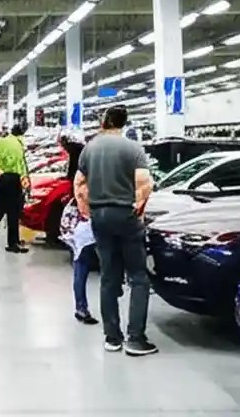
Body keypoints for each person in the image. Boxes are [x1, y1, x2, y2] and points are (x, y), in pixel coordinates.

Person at [75, 106, 157, 356]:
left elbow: (79, 184)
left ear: (104, 121)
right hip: (126, 215)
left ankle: (112, 338)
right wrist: (137, 209)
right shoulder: (133, 149)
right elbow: (144, 183)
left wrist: (87, 209)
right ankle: (136, 339)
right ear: (124, 123)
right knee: (139, 277)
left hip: (100, 217)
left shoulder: (89, 148)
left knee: (109, 277)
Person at [0, 123, 30, 253]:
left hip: (3, 178)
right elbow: (22, 165)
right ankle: (12, 243)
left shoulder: (1, 142)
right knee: (13, 213)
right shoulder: (19, 144)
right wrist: (25, 181)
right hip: (14, 179)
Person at [60, 198, 99, 325]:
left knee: (80, 269)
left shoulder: (74, 195)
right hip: (87, 231)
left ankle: (81, 307)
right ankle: (82, 308)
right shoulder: (93, 189)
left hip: (74, 231)